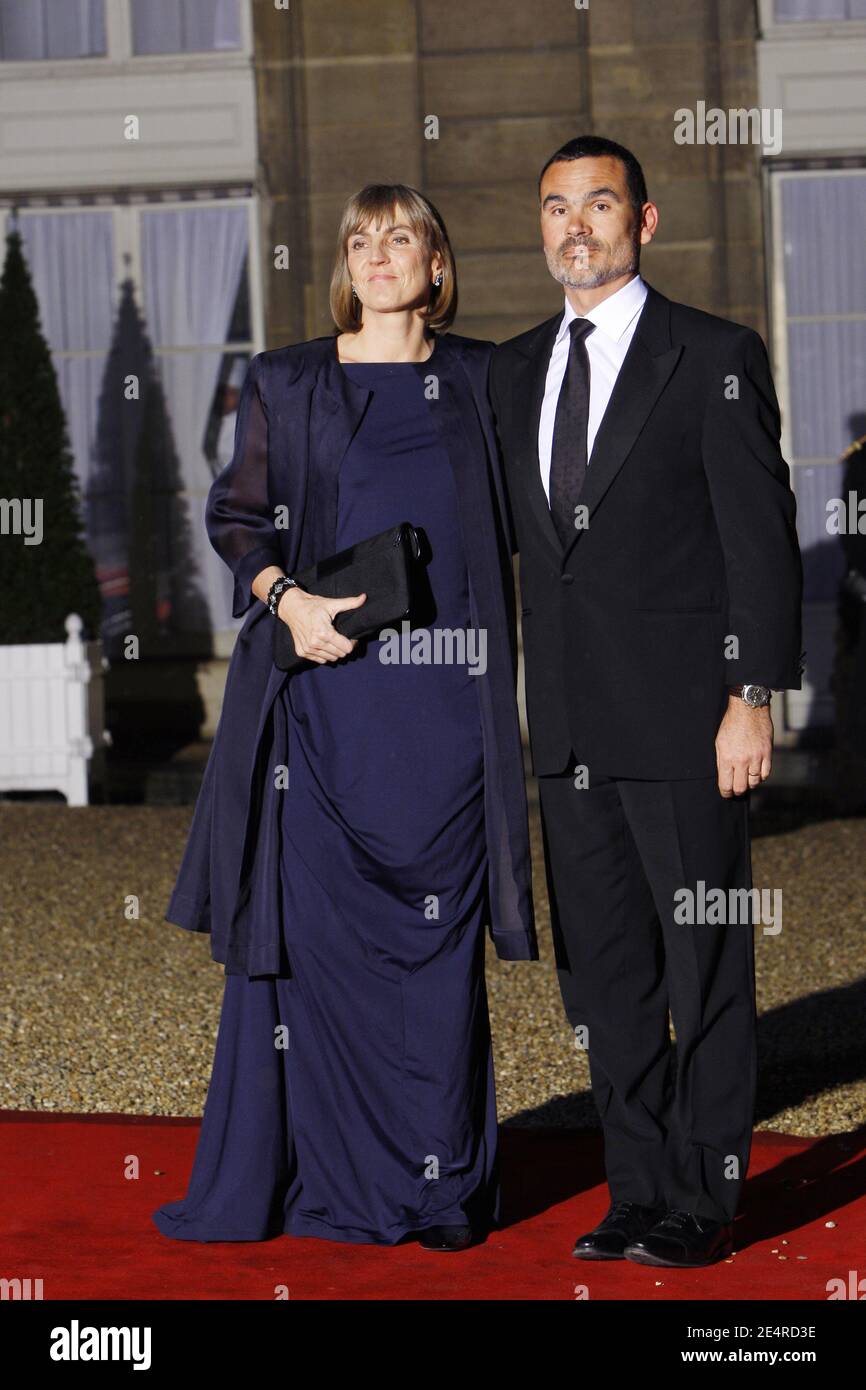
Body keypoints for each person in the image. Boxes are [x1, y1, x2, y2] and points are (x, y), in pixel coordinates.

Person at [153, 183, 536, 1253]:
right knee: (322, 963)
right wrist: (286, 599)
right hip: (319, 717)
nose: (378, 255)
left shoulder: (485, 379)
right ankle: (331, 1186)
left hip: (447, 718)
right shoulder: (285, 380)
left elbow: (549, 520)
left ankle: (439, 1187)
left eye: (399, 236)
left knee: (434, 959)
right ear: (342, 263)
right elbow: (235, 516)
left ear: (436, 262)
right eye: (359, 240)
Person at [489, 136, 803, 1268]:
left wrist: (750, 694)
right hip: (566, 730)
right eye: (555, 207)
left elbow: (757, 542)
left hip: (687, 725)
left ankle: (704, 1199)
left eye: (599, 204)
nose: (575, 225)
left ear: (644, 220)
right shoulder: (511, 370)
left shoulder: (709, 354)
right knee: (606, 974)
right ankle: (633, 1189)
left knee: (704, 964)